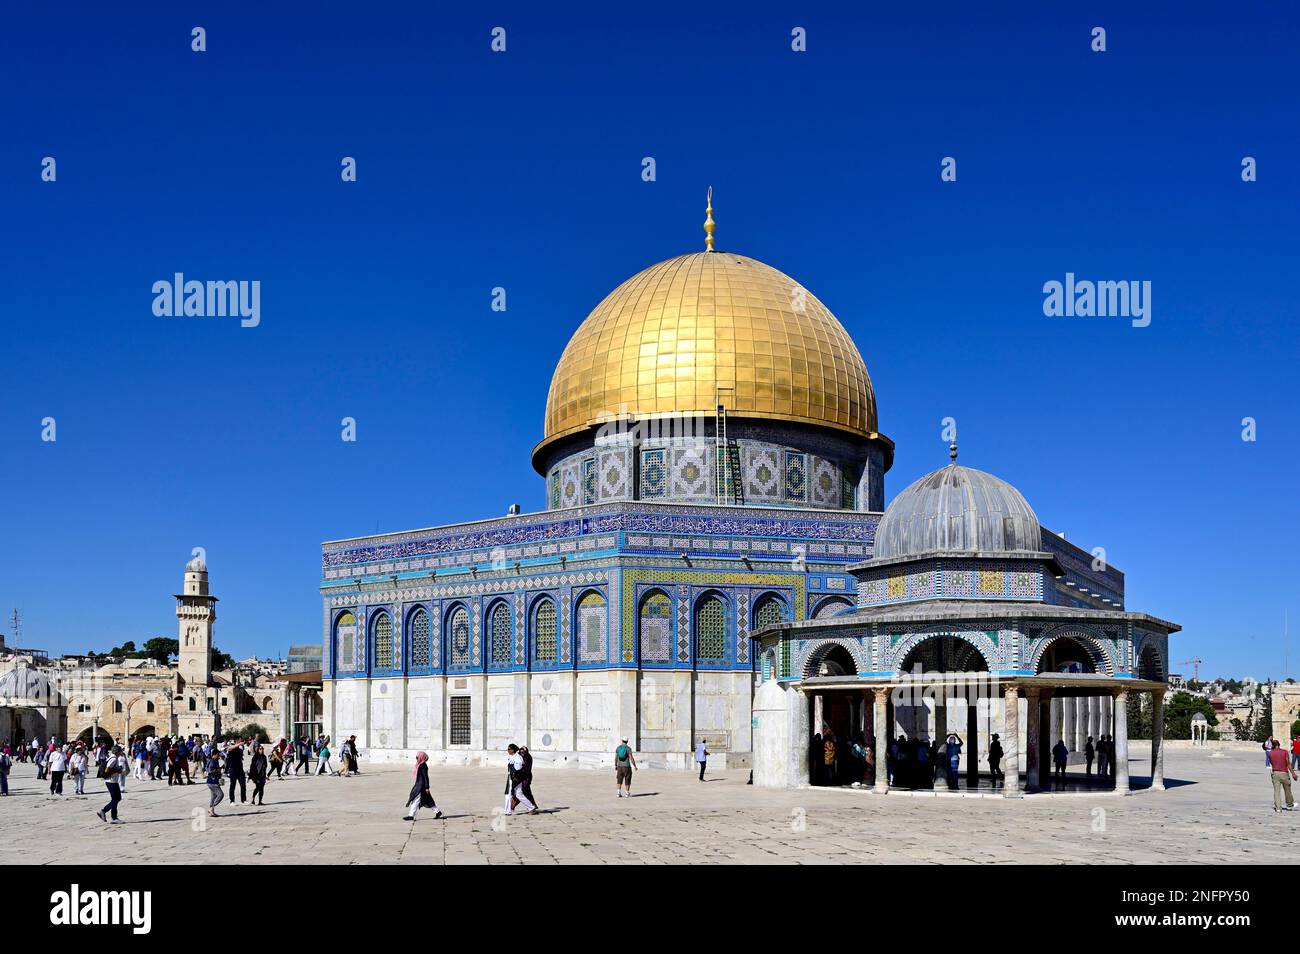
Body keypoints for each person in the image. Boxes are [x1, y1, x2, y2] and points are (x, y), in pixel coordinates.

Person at [403, 751, 443, 820]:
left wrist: (427, 787)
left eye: (418, 757)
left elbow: (426, 777)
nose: (417, 758)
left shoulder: (423, 766)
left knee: (415, 799)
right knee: (428, 800)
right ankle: (438, 812)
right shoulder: (420, 765)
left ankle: (411, 815)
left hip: (421, 786)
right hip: (419, 784)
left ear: (421, 757)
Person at [96, 746, 126, 824]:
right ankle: (110, 815)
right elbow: (107, 770)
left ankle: (108, 814)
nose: (121, 752)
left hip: (112, 781)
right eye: (120, 751)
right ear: (117, 752)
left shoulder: (112, 757)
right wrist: (117, 770)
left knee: (116, 799)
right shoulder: (113, 759)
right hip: (111, 781)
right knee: (116, 799)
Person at [504, 744, 536, 815]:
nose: (508, 750)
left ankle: (531, 807)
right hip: (511, 778)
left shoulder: (519, 757)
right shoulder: (512, 756)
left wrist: (515, 775)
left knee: (517, 794)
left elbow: (519, 768)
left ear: (513, 750)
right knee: (513, 794)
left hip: (516, 779)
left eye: (509, 749)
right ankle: (531, 807)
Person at [1267, 738, 1297, 812]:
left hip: (1275, 773)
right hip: (1284, 773)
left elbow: (1271, 762)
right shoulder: (1284, 752)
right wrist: (1293, 774)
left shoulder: (1270, 753)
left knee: (1276, 791)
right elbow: (1288, 764)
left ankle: (1278, 808)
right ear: (1279, 745)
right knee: (1287, 790)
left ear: (1273, 746)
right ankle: (1289, 805)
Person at [205, 748, 224, 817]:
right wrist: (218, 770)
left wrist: (220, 769)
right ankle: (211, 808)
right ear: (214, 755)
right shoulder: (212, 761)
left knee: (213, 796)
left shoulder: (215, 760)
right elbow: (209, 771)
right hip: (212, 782)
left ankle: (211, 811)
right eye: (218, 755)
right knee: (220, 795)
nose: (219, 757)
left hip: (213, 781)